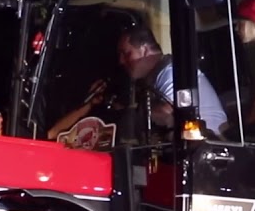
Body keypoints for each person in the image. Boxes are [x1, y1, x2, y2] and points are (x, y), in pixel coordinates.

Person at [47, 26, 229, 140]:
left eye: (127, 53)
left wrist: (128, 118)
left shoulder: (170, 70)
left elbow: (166, 112)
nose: (121, 61)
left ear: (144, 50)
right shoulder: (151, 78)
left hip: (208, 147)